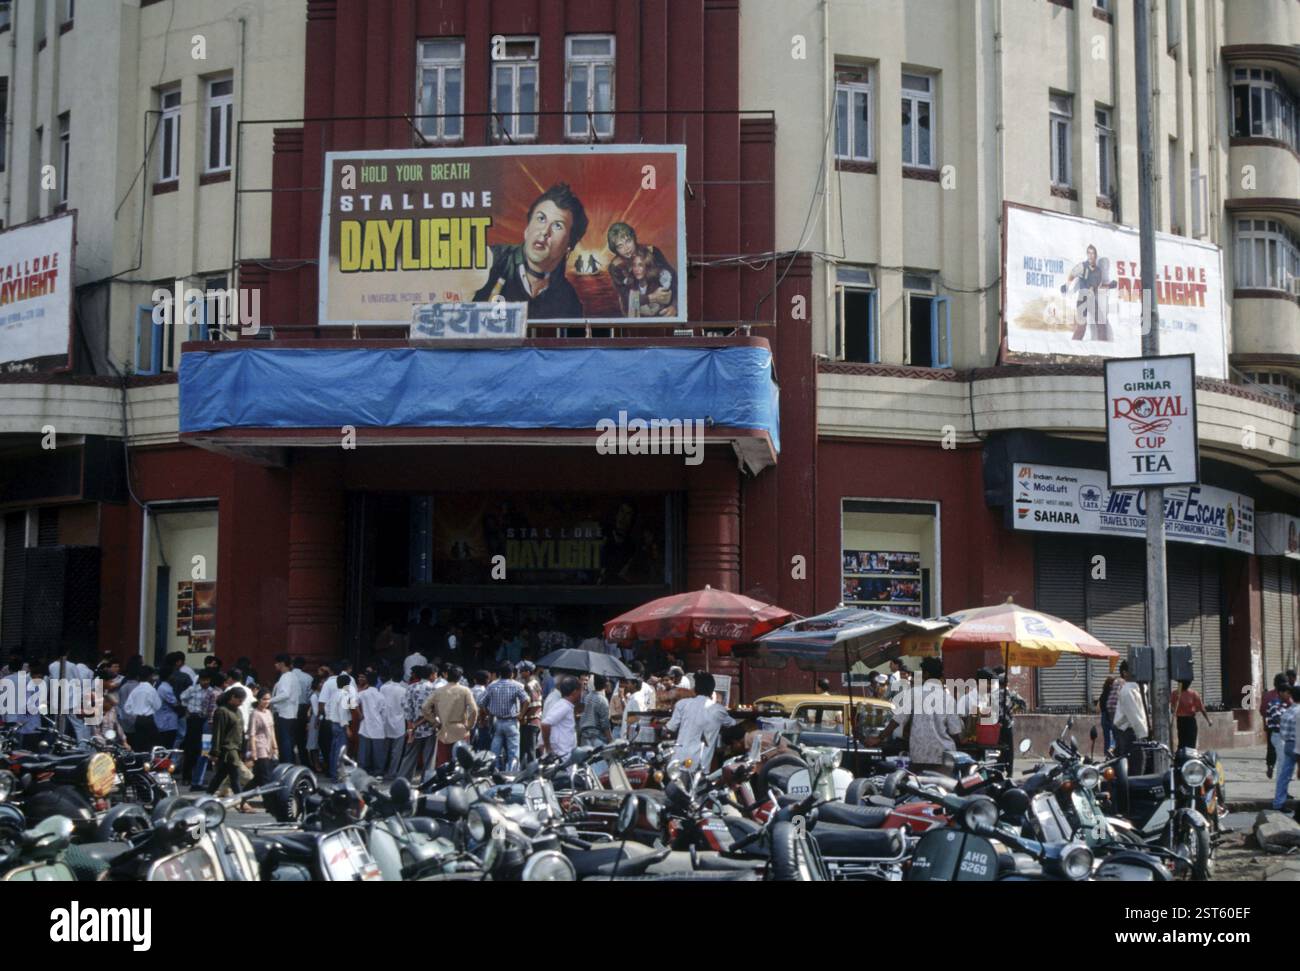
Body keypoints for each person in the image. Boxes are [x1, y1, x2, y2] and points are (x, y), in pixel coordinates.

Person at [472, 183, 589, 319]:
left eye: (558, 225)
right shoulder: (489, 260)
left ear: (569, 245)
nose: (545, 231)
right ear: (527, 229)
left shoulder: (569, 302)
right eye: (541, 219)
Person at [870, 657, 962, 772]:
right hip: (943, 756)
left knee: (916, 786)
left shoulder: (914, 693)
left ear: (926, 674)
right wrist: (961, 744)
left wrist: (879, 738)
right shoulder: (948, 699)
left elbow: (897, 720)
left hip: (919, 755)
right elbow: (955, 731)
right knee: (942, 788)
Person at [664, 672, 740, 770]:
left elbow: (670, 728)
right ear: (712, 691)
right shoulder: (718, 710)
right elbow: (733, 724)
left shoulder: (682, 704)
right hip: (700, 765)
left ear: (695, 689)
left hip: (677, 761)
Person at [423, 665, 477, 774]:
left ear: (446, 675)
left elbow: (425, 707)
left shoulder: (438, 691)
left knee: (443, 763)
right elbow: (474, 709)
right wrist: (469, 726)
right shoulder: (465, 690)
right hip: (461, 730)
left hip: (444, 730)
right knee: (461, 763)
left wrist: (435, 722)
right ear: (460, 677)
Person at [207, 687, 253, 813]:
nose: (241, 703)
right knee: (235, 777)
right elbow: (218, 733)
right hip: (227, 750)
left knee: (220, 776)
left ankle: (206, 798)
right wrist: (215, 752)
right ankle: (242, 803)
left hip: (236, 749)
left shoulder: (237, 711)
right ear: (232, 697)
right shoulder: (221, 711)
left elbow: (241, 732)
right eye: (239, 700)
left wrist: (243, 749)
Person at [1063, 243, 1117, 341]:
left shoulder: (1098, 271)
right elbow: (1072, 275)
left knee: (1101, 323)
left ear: (1095, 255)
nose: (1091, 255)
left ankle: (1103, 347)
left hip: (1091, 299)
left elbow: (1099, 286)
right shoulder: (1082, 266)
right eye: (1089, 253)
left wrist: (1109, 286)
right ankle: (1074, 346)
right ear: (1087, 254)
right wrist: (1066, 286)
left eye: (1092, 253)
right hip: (1082, 298)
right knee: (1082, 326)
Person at [480, 662, 530, 770]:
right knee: (513, 751)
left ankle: (495, 772)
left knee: (495, 751)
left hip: (496, 721)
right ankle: (512, 774)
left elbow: (481, 702)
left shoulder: (492, 685)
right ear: (512, 673)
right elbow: (527, 700)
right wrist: (521, 715)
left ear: (499, 673)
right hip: (512, 721)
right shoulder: (517, 685)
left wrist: (488, 712)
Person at [396, 666, 438, 782]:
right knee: (429, 758)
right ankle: (427, 783)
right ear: (431, 674)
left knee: (409, 757)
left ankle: (402, 782)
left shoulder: (411, 687)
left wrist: (411, 726)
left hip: (413, 728)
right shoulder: (435, 689)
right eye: (435, 674)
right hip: (430, 728)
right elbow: (433, 711)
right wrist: (420, 723)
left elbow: (406, 707)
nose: (436, 676)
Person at [179, 671, 218, 786]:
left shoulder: (211, 692)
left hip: (205, 721)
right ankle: (187, 776)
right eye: (203, 680)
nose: (205, 682)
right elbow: (182, 698)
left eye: (207, 680)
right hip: (193, 719)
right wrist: (188, 709)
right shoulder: (192, 689)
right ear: (199, 680)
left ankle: (198, 778)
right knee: (190, 748)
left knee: (203, 749)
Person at [1113, 661, 1150, 775]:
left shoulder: (1137, 688)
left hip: (1133, 733)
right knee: (1136, 765)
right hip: (1130, 733)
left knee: (1139, 763)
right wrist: (1144, 736)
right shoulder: (1128, 691)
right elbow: (1135, 716)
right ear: (1125, 673)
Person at [355, 672, 390, 776]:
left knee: (364, 751)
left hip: (365, 724)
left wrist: (359, 714)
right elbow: (384, 714)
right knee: (378, 752)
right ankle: (378, 772)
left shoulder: (363, 693)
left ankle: (362, 771)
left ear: (367, 682)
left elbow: (352, 702)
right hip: (378, 726)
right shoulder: (380, 696)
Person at [1272, 685, 1300, 813]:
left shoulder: (1288, 711)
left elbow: (1282, 734)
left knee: (1284, 776)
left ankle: (1278, 803)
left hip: (1288, 744)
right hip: (1297, 744)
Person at [541, 675, 581, 761]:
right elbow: (545, 724)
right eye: (580, 690)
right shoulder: (564, 706)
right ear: (574, 692)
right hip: (561, 756)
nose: (581, 693)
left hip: (566, 755)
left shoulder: (566, 705)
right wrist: (548, 748)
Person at [122, 666, 161, 751]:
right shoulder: (151, 690)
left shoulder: (136, 690)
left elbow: (127, 708)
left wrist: (135, 712)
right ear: (150, 676)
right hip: (148, 719)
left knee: (139, 744)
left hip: (138, 720)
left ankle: (139, 762)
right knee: (151, 744)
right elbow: (158, 706)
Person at [326, 673, 357, 780]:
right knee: (340, 752)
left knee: (334, 749)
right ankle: (337, 775)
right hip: (341, 725)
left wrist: (329, 717)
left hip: (333, 723)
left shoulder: (334, 694)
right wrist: (347, 727)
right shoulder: (344, 695)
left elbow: (327, 706)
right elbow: (343, 712)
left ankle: (332, 772)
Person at [1262, 674, 1293, 779]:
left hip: (1271, 727)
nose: (1289, 694)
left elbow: (1262, 710)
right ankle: (1281, 780)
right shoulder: (1278, 702)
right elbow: (1280, 718)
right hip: (1278, 731)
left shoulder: (1267, 695)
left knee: (1271, 750)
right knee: (1283, 759)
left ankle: (1270, 766)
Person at [380, 670, 408, 778]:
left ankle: (381, 770)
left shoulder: (383, 688)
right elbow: (405, 708)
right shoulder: (403, 690)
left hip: (385, 723)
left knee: (384, 750)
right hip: (399, 724)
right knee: (396, 752)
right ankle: (392, 772)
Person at [1170, 679, 1212, 751]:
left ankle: (1190, 758)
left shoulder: (1193, 694)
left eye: (1188, 683)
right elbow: (1172, 708)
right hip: (1181, 720)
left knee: (1191, 741)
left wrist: (1208, 720)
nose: (1187, 684)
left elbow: (1202, 708)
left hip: (1190, 721)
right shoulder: (1175, 693)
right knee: (1182, 742)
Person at [248, 690, 279, 784]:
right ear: (258, 700)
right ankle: (268, 798)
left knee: (259, 776)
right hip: (260, 747)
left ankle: (244, 795)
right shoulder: (255, 714)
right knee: (265, 776)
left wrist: (275, 747)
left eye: (268, 699)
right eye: (264, 699)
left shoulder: (269, 712)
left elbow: (272, 730)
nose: (267, 701)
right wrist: (253, 751)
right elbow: (252, 734)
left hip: (269, 746)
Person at [519, 662, 543, 766]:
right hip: (537, 720)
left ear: (528, 672)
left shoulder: (528, 686)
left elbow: (529, 703)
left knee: (529, 751)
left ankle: (531, 775)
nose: (520, 673)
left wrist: (522, 715)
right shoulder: (536, 683)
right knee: (531, 750)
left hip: (529, 721)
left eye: (522, 671)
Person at [578, 674, 613, 748]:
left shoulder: (588, 696)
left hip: (584, 736)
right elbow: (605, 724)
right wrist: (611, 741)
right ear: (606, 684)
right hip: (596, 738)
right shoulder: (602, 700)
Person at [1097, 675, 1119, 754]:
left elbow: (1098, 708)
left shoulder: (1103, 694)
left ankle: (1107, 754)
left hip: (1104, 717)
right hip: (1110, 716)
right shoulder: (1112, 693)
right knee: (1115, 737)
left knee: (1107, 738)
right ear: (1111, 684)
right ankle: (1113, 754)